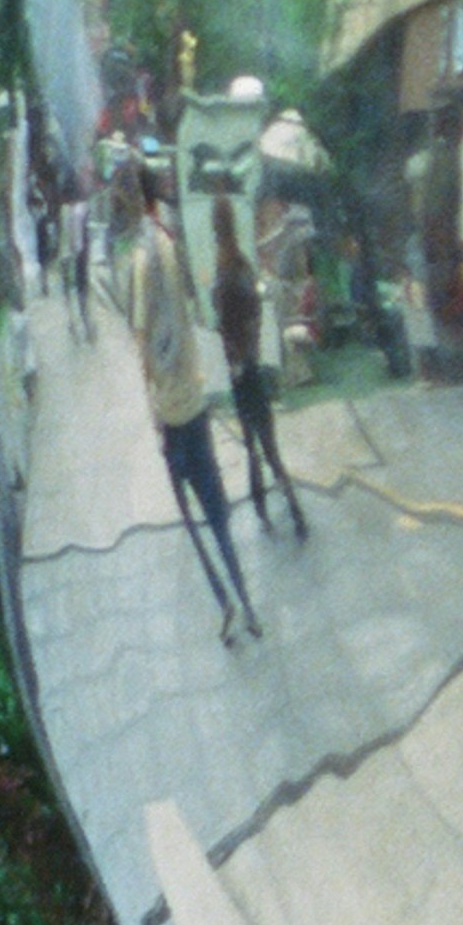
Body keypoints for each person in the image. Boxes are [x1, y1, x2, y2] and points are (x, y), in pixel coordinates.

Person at [125, 196, 262, 647]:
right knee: (218, 517)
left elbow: (143, 344)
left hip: (170, 417)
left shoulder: (141, 263)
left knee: (193, 522)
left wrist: (153, 410)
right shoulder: (173, 252)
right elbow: (194, 317)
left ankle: (226, 601)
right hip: (196, 409)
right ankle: (246, 603)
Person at [208, 198, 309, 544]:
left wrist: (233, 354)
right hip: (252, 366)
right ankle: (294, 512)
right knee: (270, 447)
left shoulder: (223, 271)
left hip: (239, 374)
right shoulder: (242, 265)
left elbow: (222, 321)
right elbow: (254, 310)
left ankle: (264, 512)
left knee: (252, 447)